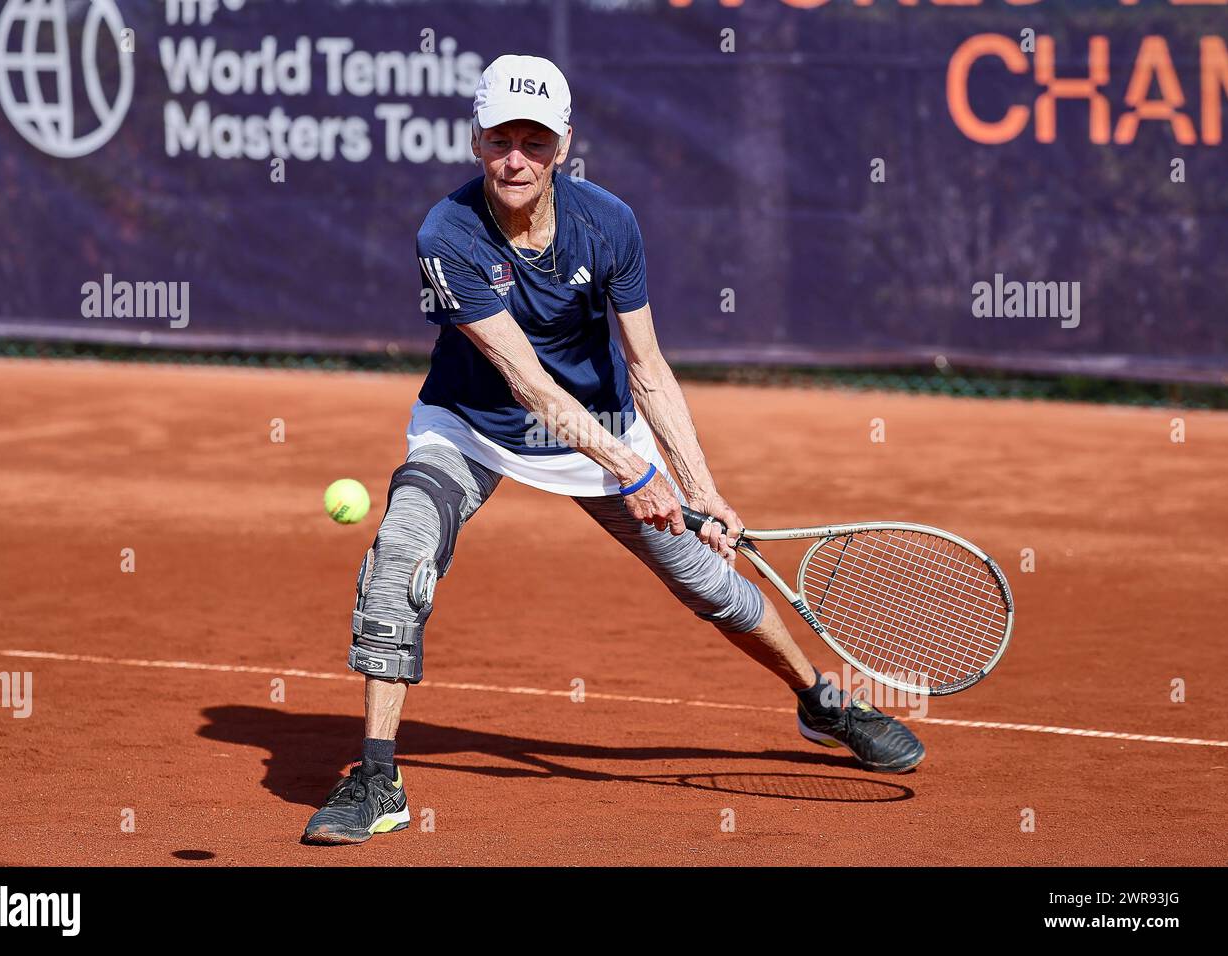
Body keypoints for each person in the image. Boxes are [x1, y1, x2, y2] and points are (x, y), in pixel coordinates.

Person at [302, 54, 924, 846]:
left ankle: (819, 699)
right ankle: (378, 779)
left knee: (715, 588)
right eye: (501, 139)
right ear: (475, 140)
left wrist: (702, 488)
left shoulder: (610, 224)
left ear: (564, 144)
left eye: (535, 140)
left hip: (601, 429)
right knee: (399, 558)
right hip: (470, 426)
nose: (516, 158)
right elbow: (525, 384)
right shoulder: (446, 234)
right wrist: (638, 473)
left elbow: (648, 367)